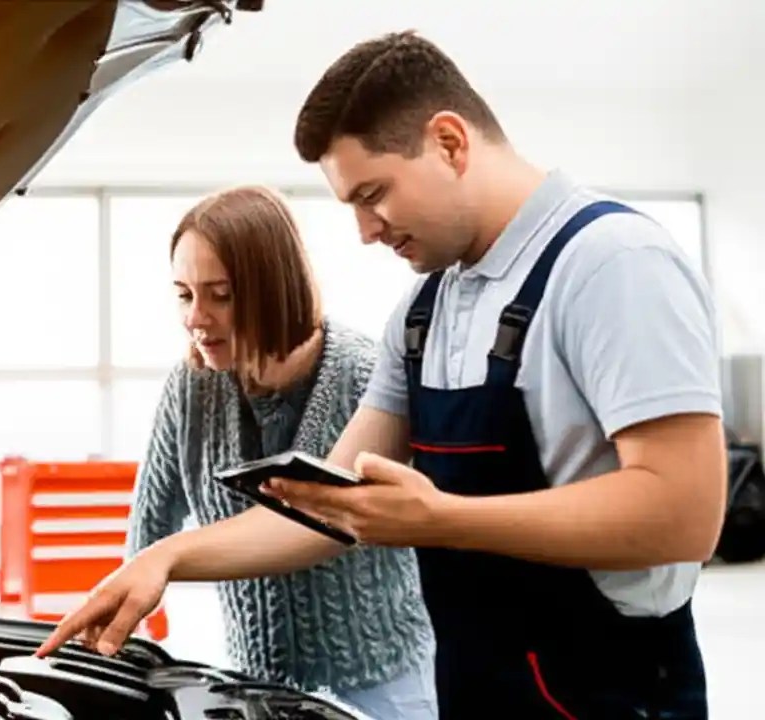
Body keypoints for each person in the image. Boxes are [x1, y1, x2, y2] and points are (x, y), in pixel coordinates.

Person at [38, 31, 726, 720]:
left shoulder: (612, 264)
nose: (366, 231)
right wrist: (165, 558)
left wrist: (443, 520)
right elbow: (324, 509)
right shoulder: (425, 310)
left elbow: (685, 514)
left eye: (373, 195)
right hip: (477, 687)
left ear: (449, 143)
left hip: (609, 691)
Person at [119, 185, 437, 719]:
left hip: (383, 687)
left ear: (272, 288)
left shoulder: (366, 378)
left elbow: (346, 522)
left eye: (220, 295)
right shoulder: (191, 387)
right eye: (184, 295)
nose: (196, 318)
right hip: (254, 687)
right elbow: (148, 529)